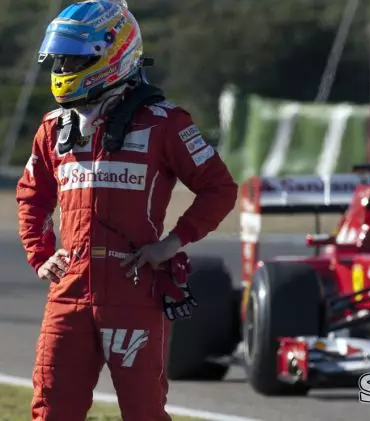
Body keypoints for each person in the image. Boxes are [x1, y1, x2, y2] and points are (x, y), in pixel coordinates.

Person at [15, 1, 238, 420]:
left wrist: (172, 243)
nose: (63, 67)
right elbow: (31, 195)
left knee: (143, 412)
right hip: (70, 292)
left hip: (135, 289)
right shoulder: (54, 127)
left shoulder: (165, 122)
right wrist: (41, 255)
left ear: (112, 55)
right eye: (60, 58)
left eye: (75, 58)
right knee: (50, 410)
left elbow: (219, 189)